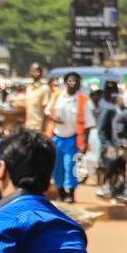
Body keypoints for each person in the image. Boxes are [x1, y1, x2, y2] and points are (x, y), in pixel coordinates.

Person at [47, 72, 94, 202]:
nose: (73, 84)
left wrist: (85, 142)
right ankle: (60, 191)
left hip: (73, 139)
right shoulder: (57, 96)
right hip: (56, 137)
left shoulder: (83, 100)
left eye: (76, 81)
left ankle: (71, 193)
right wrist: (54, 118)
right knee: (57, 166)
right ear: (66, 82)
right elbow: (48, 112)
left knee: (71, 165)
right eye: (70, 81)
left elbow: (89, 124)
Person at [23, 63, 51, 132]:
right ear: (30, 72)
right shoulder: (29, 88)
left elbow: (47, 110)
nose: (36, 73)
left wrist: (44, 128)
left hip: (39, 128)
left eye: (38, 71)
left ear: (41, 73)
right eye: (33, 71)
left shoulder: (45, 88)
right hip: (28, 127)